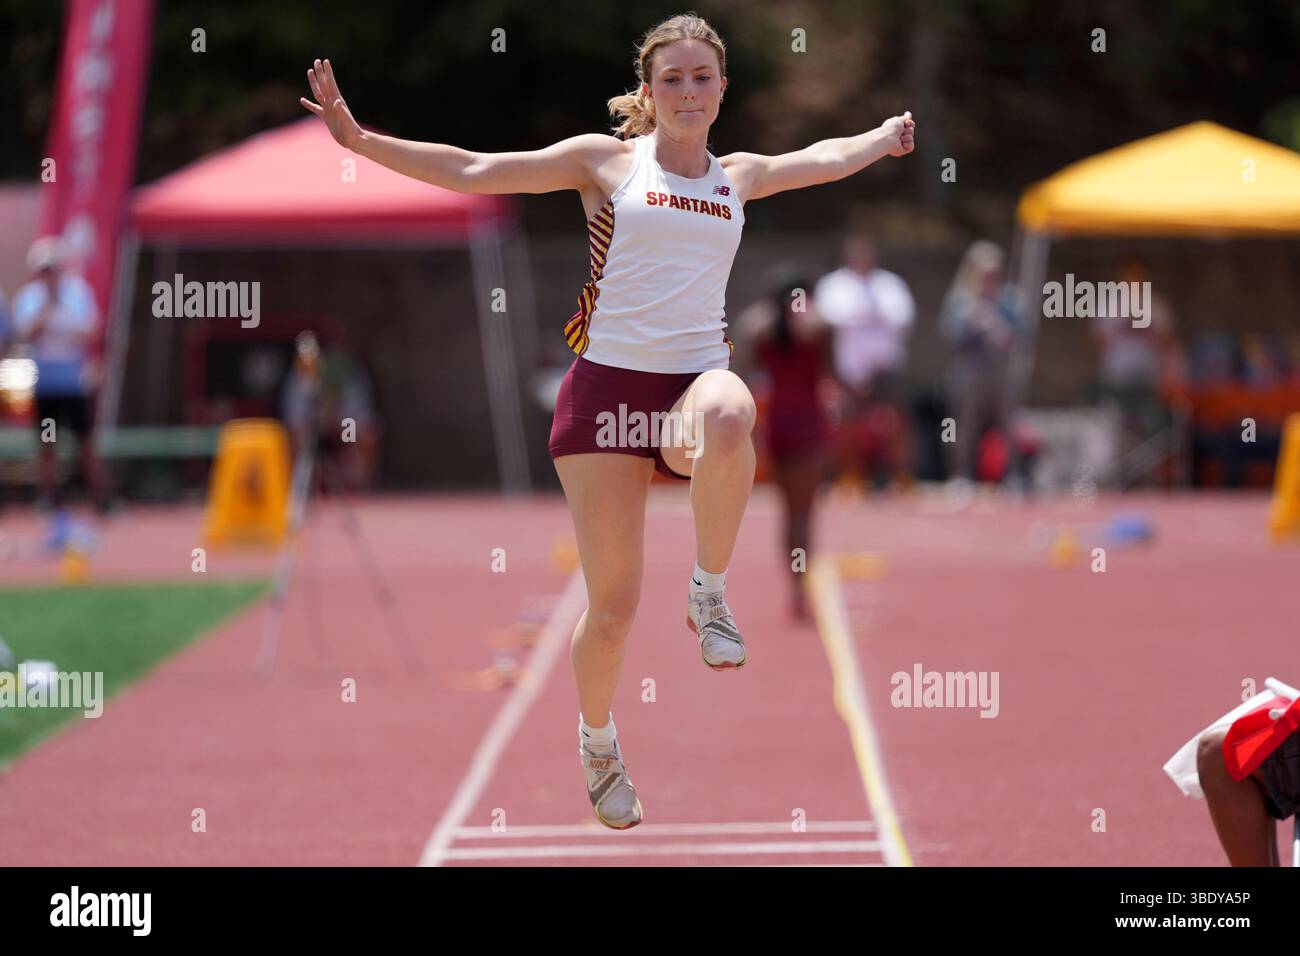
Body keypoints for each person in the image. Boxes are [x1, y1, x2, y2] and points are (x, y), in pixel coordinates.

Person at [301, 12, 916, 829]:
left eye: (703, 78)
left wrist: (881, 135)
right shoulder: (606, 162)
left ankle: (708, 593)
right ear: (650, 90)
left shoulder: (738, 175)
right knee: (614, 606)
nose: (689, 91)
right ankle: (598, 744)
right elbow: (480, 167)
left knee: (733, 409)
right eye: (673, 79)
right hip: (604, 398)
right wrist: (361, 142)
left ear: (722, 88)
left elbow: (824, 159)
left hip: (690, 389)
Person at [740, 270, 831, 620]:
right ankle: (800, 586)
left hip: (776, 426)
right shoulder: (817, 329)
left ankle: (793, 586)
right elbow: (830, 374)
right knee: (804, 515)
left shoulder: (759, 328)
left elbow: (748, 374)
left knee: (786, 513)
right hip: (808, 425)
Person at [10, 237, 109, 512]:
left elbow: (91, 332)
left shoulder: (78, 293)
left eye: (52, 268)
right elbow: (26, 334)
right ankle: (50, 496)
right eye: (44, 269)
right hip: (46, 385)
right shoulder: (29, 298)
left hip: (72, 383)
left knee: (84, 441)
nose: (49, 274)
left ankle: (100, 497)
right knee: (48, 441)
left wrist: (66, 322)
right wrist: (47, 311)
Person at [813, 235, 915, 489]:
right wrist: (869, 317)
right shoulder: (833, 285)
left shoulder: (890, 284)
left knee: (897, 420)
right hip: (848, 370)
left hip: (885, 367)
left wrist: (861, 318)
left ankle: (900, 475)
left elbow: (902, 318)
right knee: (846, 421)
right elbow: (827, 320)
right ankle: (850, 474)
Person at [938, 240, 1019, 486]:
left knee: (1008, 424)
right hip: (969, 372)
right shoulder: (960, 300)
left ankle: (1012, 475)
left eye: (994, 274)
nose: (989, 279)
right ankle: (960, 474)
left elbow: (1022, 334)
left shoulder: (1009, 299)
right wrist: (972, 324)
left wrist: (1002, 328)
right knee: (962, 425)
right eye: (984, 274)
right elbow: (948, 335)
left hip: (1000, 370)